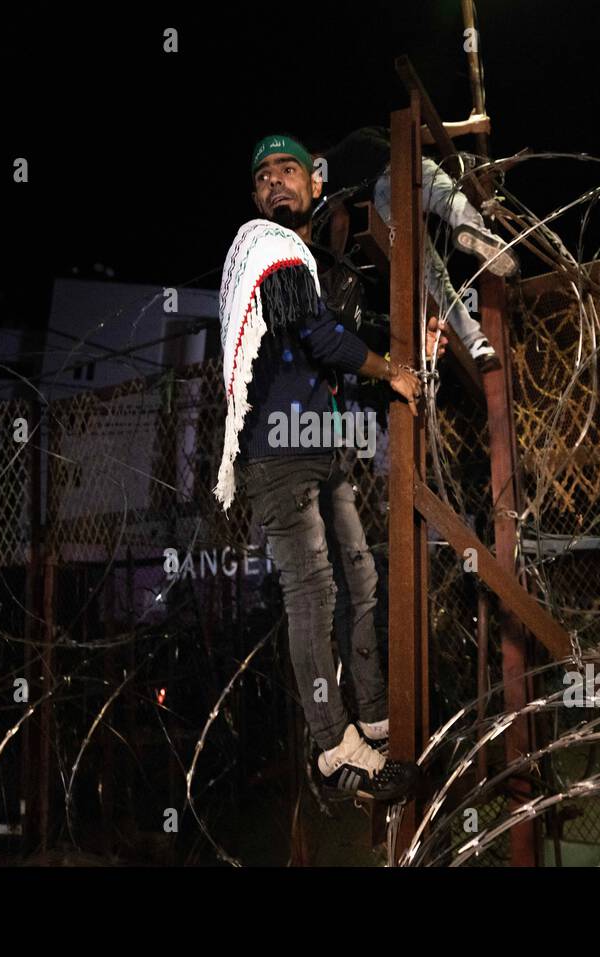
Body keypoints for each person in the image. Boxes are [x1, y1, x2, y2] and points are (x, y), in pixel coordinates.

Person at [220, 132, 446, 803]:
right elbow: (319, 335)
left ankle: (375, 715)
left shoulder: (309, 257)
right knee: (313, 593)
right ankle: (334, 746)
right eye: (263, 177)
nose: (274, 184)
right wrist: (391, 371)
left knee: (361, 578)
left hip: (322, 451)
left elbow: (333, 342)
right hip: (278, 459)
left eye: (288, 170)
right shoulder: (265, 248)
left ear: (314, 184)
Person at [322, 125, 519, 373]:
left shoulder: (324, 171)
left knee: (433, 277)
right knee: (451, 203)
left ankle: (478, 345)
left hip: (384, 195)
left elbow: (340, 220)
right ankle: (477, 234)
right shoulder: (362, 134)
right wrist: (470, 126)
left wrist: (335, 260)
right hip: (410, 167)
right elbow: (422, 132)